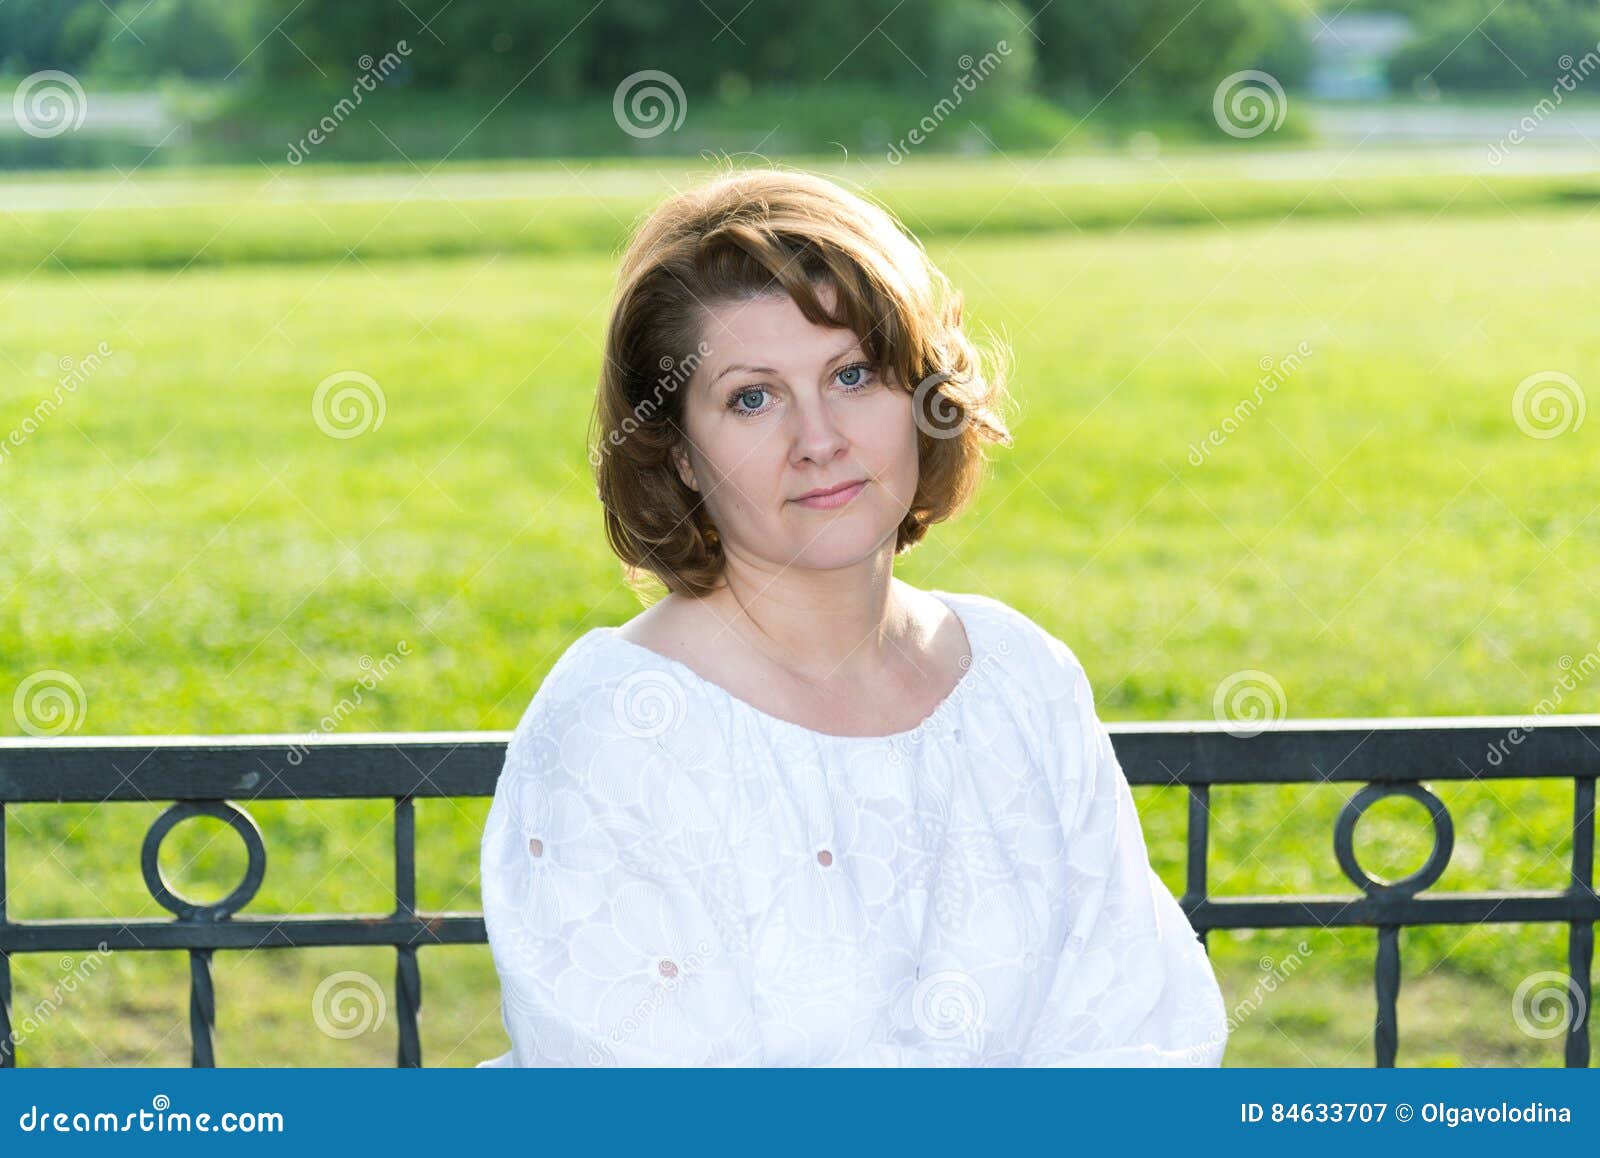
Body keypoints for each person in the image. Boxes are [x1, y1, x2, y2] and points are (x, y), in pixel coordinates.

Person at [478, 167, 1228, 1066]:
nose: (819, 439)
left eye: (853, 375)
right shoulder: (620, 728)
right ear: (677, 453)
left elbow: (1132, 1038)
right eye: (752, 397)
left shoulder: (1019, 677)